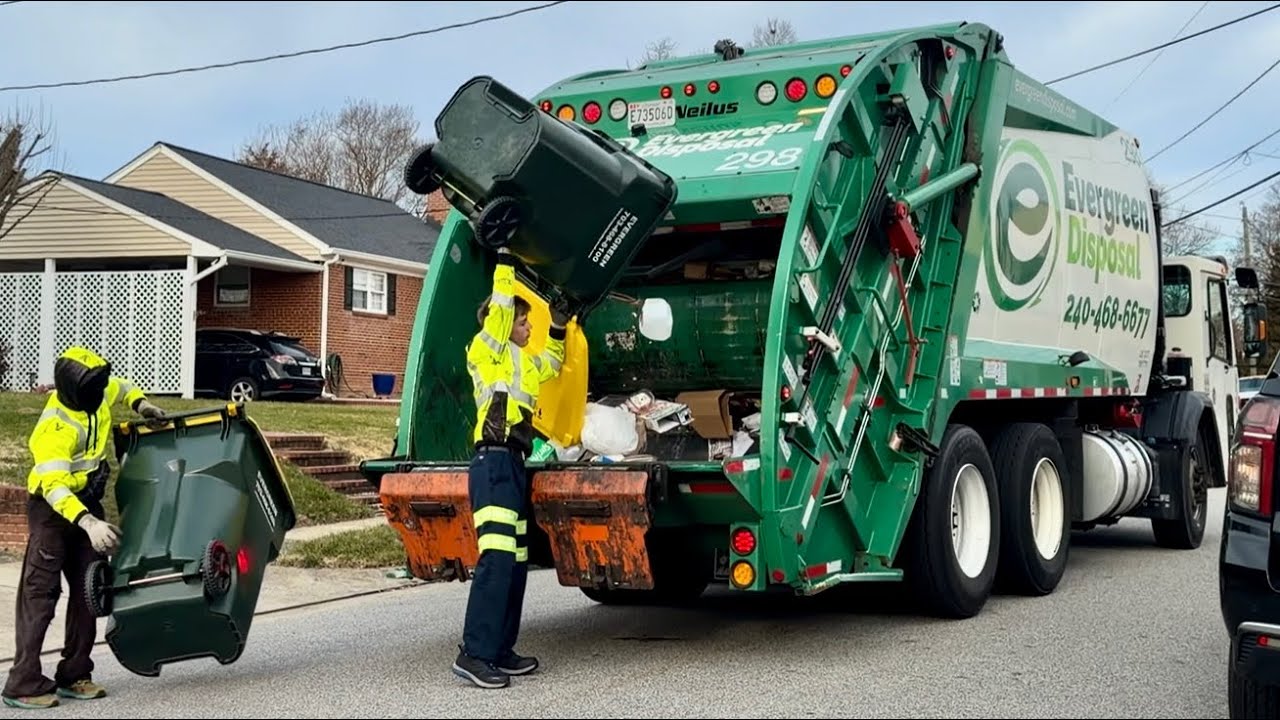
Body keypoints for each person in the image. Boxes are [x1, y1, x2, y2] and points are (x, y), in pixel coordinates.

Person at [2, 346, 166, 710]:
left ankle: (75, 674)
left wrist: (142, 405)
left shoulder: (97, 390)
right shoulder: (54, 428)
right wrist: (89, 523)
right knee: (40, 594)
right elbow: (54, 489)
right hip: (52, 512)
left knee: (91, 589)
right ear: (74, 391)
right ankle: (22, 682)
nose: (100, 394)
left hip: (87, 502)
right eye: (93, 390)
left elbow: (122, 388)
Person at [453, 247, 568, 689]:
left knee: (516, 562)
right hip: (494, 462)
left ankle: (500, 649)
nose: (527, 327)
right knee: (497, 559)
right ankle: (474, 653)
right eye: (524, 322)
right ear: (501, 323)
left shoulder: (523, 361)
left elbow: (552, 364)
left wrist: (558, 326)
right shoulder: (488, 348)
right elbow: (501, 304)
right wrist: (505, 258)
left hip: (513, 464)